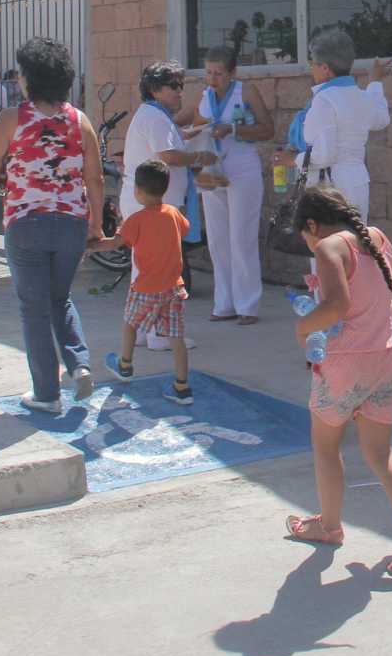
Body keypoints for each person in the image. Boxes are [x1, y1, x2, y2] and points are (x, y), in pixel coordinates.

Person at [282, 185, 392, 576]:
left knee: (326, 445)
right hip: (385, 359)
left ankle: (329, 527)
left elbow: (337, 307)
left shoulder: (329, 247)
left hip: (344, 364)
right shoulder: (379, 240)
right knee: (381, 454)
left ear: (312, 224)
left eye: (306, 235)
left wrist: (302, 328)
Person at [0, 38, 103, 416]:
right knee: (60, 298)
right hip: (71, 223)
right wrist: (94, 224)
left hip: (26, 221)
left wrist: (3, 166)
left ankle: (46, 394)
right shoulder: (80, 121)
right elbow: (94, 178)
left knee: (33, 307)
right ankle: (79, 363)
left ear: (29, 78)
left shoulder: (12, 118)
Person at [175, 45, 275, 325]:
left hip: (242, 167)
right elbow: (183, 119)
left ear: (232, 73)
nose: (213, 78)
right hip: (212, 168)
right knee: (218, 239)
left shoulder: (246, 92)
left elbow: (268, 129)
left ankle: (248, 305)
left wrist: (233, 129)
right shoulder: (204, 95)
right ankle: (224, 303)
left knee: (241, 237)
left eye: (219, 73)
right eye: (208, 72)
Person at [122, 60, 215, 351]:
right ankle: (159, 333)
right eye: (173, 86)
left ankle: (139, 329)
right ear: (154, 89)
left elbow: (172, 144)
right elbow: (170, 156)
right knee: (161, 270)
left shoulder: (157, 116)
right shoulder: (155, 117)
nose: (179, 92)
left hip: (148, 205)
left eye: (180, 86)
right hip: (152, 208)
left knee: (144, 270)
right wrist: (200, 158)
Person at [95, 160, 195, 405]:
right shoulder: (173, 213)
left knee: (130, 324)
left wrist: (91, 245)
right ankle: (182, 388)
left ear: (138, 191)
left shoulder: (136, 220)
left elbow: (115, 243)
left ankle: (125, 365)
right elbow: (185, 229)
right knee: (176, 337)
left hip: (146, 288)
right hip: (174, 287)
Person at [271, 30, 390, 222]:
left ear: (325, 68)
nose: (311, 68)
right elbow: (381, 118)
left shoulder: (325, 100)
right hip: (357, 183)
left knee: (330, 248)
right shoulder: (358, 95)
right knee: (354, 247)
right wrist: (375, 82)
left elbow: (323, 156)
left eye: (313, 63)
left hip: (329, 187)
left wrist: (291, 159)